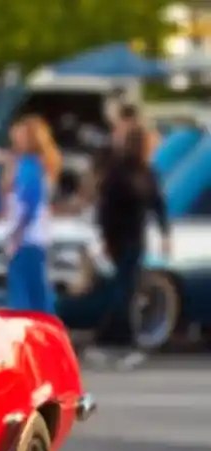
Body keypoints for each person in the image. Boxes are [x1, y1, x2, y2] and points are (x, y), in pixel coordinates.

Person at [83, 126, 172, 371]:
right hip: (119, 238)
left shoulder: (148, 173)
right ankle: (118, 342)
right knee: (123, 292)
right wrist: (105, 239)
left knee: (126, 291)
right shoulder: (119, 173)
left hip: (136, 238)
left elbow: (157, 203)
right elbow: (105, 209)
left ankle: (110, 341)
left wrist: (165, 233)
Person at [3, 115, 59, 315]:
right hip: (36, 238)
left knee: (24, 296)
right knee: (38, 292)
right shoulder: (39, 165)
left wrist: (16, 234)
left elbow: (29, 203)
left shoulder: (29, 166)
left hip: (26, 240)